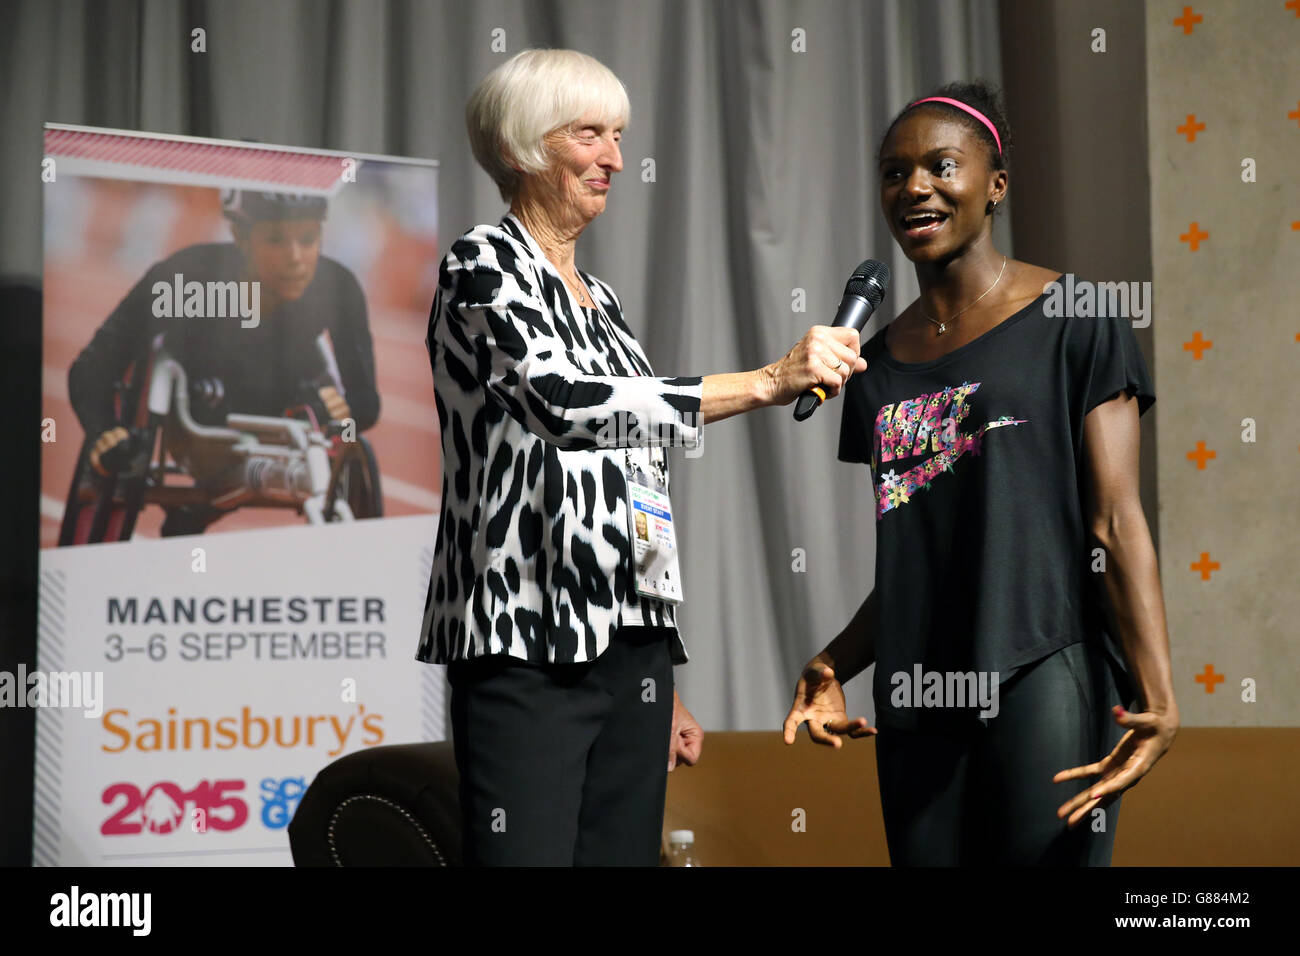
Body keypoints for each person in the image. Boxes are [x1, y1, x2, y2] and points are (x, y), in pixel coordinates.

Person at [416, 48, 865, 866]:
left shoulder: (607, 304)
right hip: (525, 640)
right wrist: (768, 380)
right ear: (523, 147)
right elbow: (560, 405)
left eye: (620, 135)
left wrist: (661, 664)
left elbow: (638, 477)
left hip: (630, 650)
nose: (616, 158)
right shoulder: (481, 266)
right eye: (590, 134)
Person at [782, 81, 1179, 866]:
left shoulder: (1080, 317)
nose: (915, 187)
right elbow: (915, 562)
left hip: (1043, 666)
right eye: (895, 174)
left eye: (941, 166)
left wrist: (1157, 691)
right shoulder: (877, 364)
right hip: (916, 692)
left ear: (995, 185)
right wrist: (832, 662)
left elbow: (1114, 522)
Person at [67, 190, 381, 536]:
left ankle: (197, 512)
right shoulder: (185, 278)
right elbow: (94, 365)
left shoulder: (338, 288)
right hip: (196, 414)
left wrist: (346, 420)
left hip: (289, 407)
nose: (296, 258)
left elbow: (366, 402)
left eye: (308, 239)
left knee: (331, 411)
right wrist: (103, 429)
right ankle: (199, 509)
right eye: (276, 240)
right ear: (240, 238)